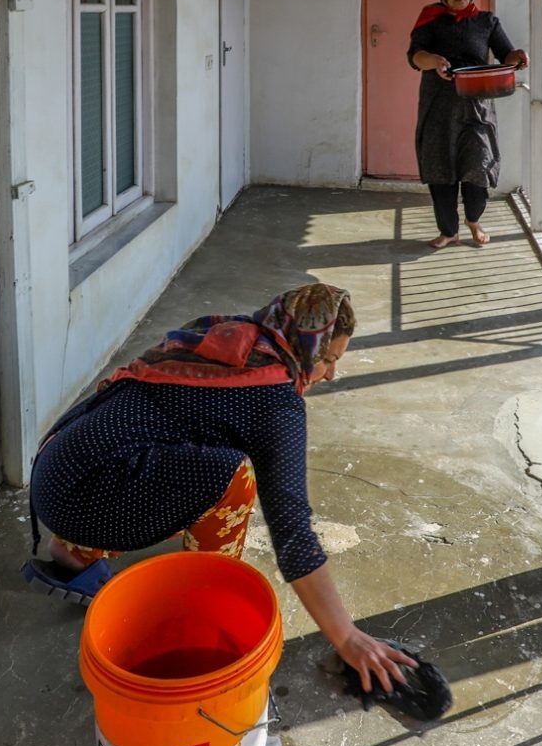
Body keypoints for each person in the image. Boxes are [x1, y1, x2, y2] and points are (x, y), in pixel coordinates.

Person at [23, 283, 416, 694]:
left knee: (191, 456)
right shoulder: (275, 400)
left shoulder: (230, 336)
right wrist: (348, 638)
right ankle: (205, 605)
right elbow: (293, 534)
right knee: (233, 479)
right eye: (329, 360)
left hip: (57, 469)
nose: (331, 374)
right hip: (86, 497)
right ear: (309, 347)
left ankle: (72, 552)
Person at [407, 0, 529, 250]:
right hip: (439, 108)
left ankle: (474, 219)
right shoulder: (431, 20)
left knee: (479, 165)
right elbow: (415, 56)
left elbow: (505, 54)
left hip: (477, 109)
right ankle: (449, 230)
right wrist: (434, 60)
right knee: (441, 168)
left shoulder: (486, 21)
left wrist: (519, 57)